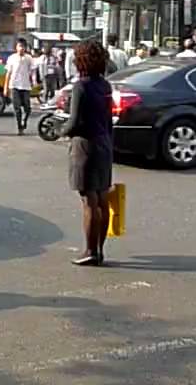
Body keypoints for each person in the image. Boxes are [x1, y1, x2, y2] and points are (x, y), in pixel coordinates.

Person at [61, 40, 114, 266]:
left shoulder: (80, 87)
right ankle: (99, 250)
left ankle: (90, 250)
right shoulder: (105, 86)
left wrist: (60, 130)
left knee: (88, 200)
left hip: (84, 146)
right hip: (104, 143)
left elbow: (74, 123)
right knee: (102, 198)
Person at [3, 38, 35, 135]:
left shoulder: (29, 58)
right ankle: (19, 127)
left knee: (27, 108)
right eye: (19, 46)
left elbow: (32, 72)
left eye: (23, 46)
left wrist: (33, 82)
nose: (21, 48)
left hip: (25, 86)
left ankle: (24, 121)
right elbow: (8, 73)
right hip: (14, 85)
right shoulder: (12, 58)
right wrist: (6, 87)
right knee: (17, 108)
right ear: (16, 47)